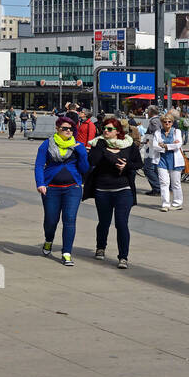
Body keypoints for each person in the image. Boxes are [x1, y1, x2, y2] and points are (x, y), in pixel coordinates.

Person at [83, 114, 143, 268]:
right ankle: (100, 247)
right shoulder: (99, 144)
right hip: (102, 189)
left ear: (117, 131)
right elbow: (92, 161)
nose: (106, 131)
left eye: (109, 129)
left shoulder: (129, 145)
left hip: (124, 190)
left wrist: (126, 165)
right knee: (104, 222)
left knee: (121, 223)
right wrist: (102, 146)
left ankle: (123, 257)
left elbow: (138, 163)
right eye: (104, 128)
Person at [34, 114, 90, 266]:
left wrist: (83, 154)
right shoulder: (47, 144)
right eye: (65, 128)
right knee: (51, 220)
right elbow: (39, 165)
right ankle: (49, 239)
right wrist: (40, 183)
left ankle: (66, 253)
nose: (68, 131)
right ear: (57, 129)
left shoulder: (77, 146)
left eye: (71, 129)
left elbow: (85, 169)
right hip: (51, 188)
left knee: (70, 219)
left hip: (73, 188)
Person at [152, 110, 184, 211]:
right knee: (164, 183)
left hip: (175, 160)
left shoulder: (176, 132)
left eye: (169, 121)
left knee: (175, 183)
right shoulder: (157, 132)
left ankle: (177, 203)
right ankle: (165, 204)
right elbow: (155, 146)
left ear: (172, 122)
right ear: (162, 122)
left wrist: (165, 145)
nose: (167, 123)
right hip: (162, 160)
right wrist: (169, 146)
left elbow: (178, 145)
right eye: (165, 122)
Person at [140, 104, 162, 196]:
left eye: (147, 111)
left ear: (150, 112)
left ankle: (157, 187)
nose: (147, 113)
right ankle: (159, 187)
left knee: (147, 168)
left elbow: (156, 133)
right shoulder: (159, 119)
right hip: (155, 147)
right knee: (154, 168)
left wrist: (148, 141)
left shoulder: (154, 121)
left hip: (151, 147)